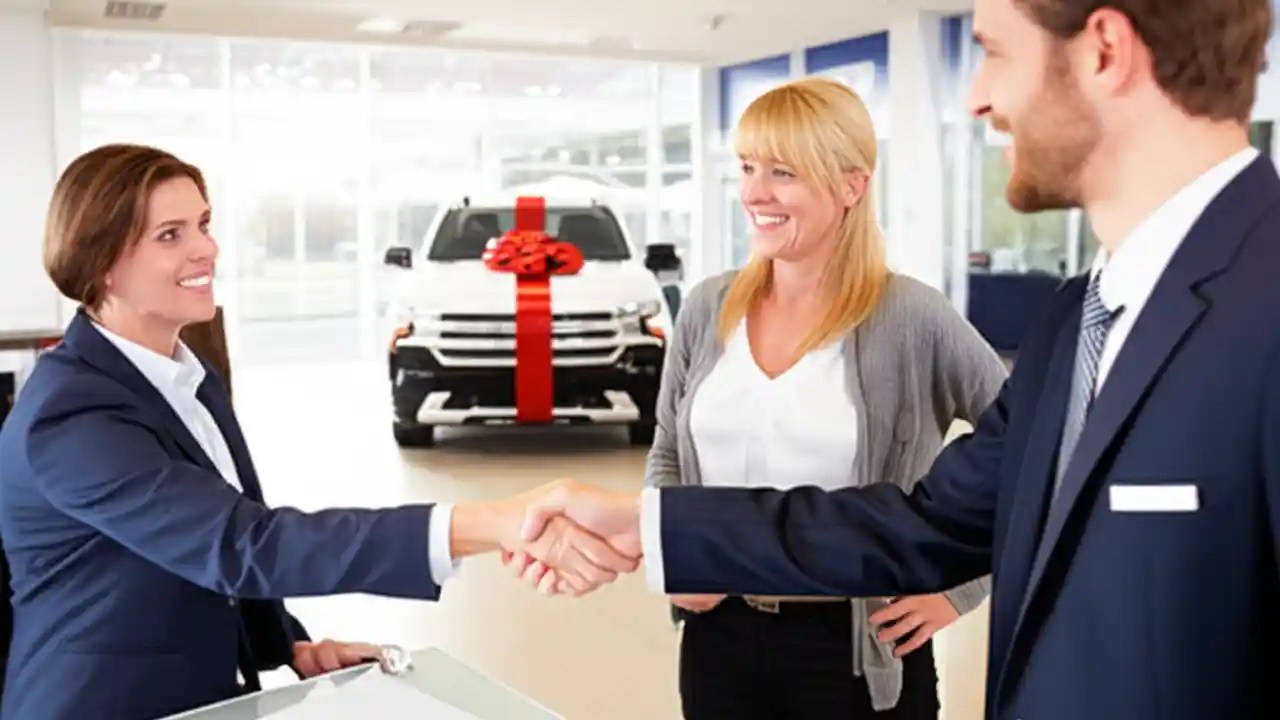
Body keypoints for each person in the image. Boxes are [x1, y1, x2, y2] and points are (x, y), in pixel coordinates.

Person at [515, 0, 1280, 718]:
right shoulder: (1075, 323)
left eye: (993, 54)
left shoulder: (1260, 308)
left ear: (1105, 50)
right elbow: (921, 526)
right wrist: (652, 526)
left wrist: (951, 599)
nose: (976, 98)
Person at [0, 143, 636, 719]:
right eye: (171, 234)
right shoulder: (71, 414)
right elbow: (242, 544)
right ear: (102, 263)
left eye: (203, 223)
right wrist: (495, 522)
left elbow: (203, 540)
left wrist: (291, 647)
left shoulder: (185, 373)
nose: (207, 249)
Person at [646, 77, 1004, 719]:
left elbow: (1031, 449)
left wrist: (959, 588)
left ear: (850, 185)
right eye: (749, 168)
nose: (755, 193)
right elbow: (669, 450)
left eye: (782, 172)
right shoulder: (708, 307)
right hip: (717, 641)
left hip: (856, 650)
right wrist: (680, 557)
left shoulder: (911, 316)